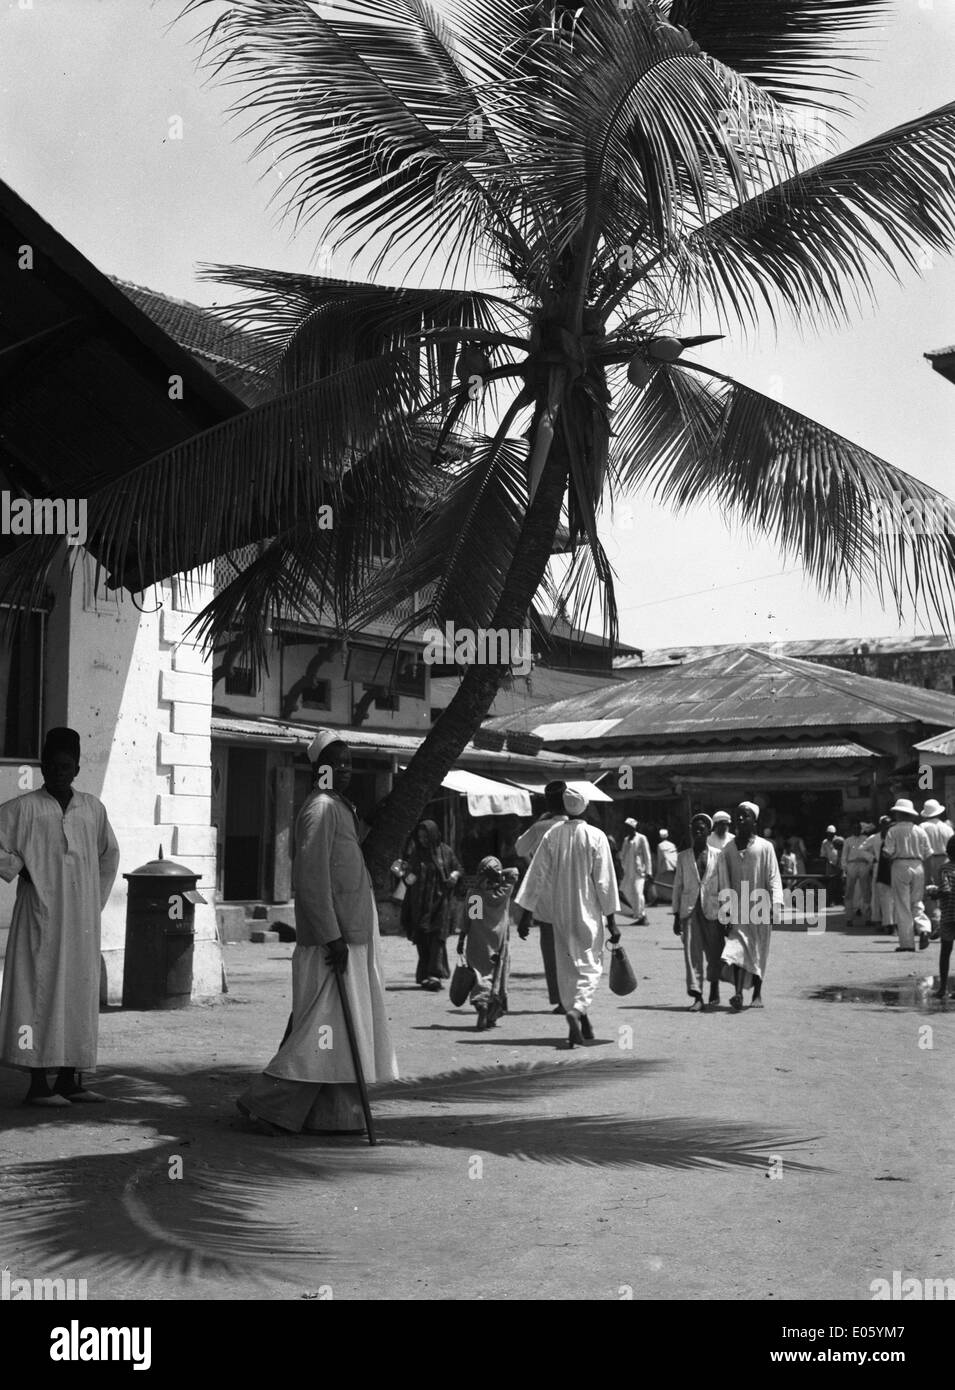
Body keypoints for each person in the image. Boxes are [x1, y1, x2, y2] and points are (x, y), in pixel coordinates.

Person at [237, 730, 397, 1134]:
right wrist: (331, 936)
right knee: (321, 1030)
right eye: (334, 763)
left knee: (338, 1031)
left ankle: (334, 1117)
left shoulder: (340, 807)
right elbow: (311, 880)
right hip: (332, 942)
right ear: (317, 768)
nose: (342, 770)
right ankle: (268, 1105)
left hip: (351, 935)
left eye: (347, 763)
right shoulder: (320, 809)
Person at [0, 728, 120, 1108]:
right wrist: (22, 867)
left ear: (78, 768)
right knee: (38, 991)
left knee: (77, 992)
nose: (59, 772)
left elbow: (108, 855)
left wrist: (91, 901)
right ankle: (38, 1083)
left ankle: (70, 1079)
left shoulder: (92, 808)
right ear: (42, 767)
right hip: (40, 915)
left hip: (81, 920)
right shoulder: (22, 809)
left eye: (66, 766)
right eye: (52, 765)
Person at [515, 787, 620, 1048]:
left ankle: (580, 1019)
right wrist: (612, 920)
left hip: (558, 912)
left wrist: (526, 913)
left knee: (566, 968)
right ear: (584, 806)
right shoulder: (596, 836)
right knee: (591, 966)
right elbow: (604, 882)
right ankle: (577, 1010)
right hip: (588, 912)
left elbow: (536, 874)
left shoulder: (551, 834)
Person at [718, 801, 783, 1012]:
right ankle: (737, 994)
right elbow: (724, 881)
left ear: (755, 820)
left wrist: (775, 905)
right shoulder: (727, 849)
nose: (740, 819)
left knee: (758, 950)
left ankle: (757, 993)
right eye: (737, 815)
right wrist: (726, 912)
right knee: (736, 950)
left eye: (745, 816)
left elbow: (774, 877)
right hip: (738, 908)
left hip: (760, 906)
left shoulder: (765, 847)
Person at [514, 780, 567, 1012]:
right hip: (575, 899)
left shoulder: (540, 828)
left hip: (545, 899)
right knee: (572, 951)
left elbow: (519, 849)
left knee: (551, 951)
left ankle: (560, 997)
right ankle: (574, 996)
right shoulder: (583, 829)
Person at [457, 856, 517, 1031]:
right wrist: (498, 874)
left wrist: (461, 939)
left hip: (477, 941)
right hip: (498, 943)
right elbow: (514, 872)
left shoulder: (476, 895)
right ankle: (490, 1013)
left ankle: (482, 1005)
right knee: (495, 975)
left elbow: (470, 919)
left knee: (479, 974)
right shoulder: (503, 892)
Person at [400, 819, 462, 990]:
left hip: (441, 903)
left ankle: (435, 974)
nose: (423, 840)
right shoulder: (417, 854)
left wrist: (454, 876)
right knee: (422, 939)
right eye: (420, 837)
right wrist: (405, 876)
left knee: (437, 939)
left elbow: (457, 868)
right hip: (419, 904)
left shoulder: (445, 852)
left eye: (426, 837)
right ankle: (424, 975)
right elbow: (410, 879)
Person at [672, 814, 723, 1012]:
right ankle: (697, 995)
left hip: (713, 909)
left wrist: (726, 913)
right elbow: (678, 886)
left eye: (702, 829)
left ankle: (714, 985)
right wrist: (676, 915)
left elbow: (724, 883)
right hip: (689, 910)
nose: (698, 832)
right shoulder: (683, 856)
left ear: (709, 831)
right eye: (695, 829)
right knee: (692, 955)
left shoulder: (718, 855)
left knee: (714, 952)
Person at [882, 798, 932, 952]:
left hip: (900, 865)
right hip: (918, 865)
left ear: (899, 814)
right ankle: (924, 928)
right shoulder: (920, 830)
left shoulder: (893, 830)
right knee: (917, 901)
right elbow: (928, 853)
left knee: (903, 905)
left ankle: (907, 943)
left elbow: (887, 853)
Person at [926, 834, 955, 999]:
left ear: (948, 852)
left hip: (949, 915)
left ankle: (943, 988)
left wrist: (934, 893)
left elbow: (945, 889)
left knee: (946, 952)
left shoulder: (945, 868)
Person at [920, 799, 954, 940]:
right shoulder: (947, 827)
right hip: (946, 859)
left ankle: (936, 923)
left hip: (929, 860)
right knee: (948, 892)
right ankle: (946, 921)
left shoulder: (922, 826)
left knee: (931, 891)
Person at [620, 817, 652, 924]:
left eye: (627, 827)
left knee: (638, 892)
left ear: (632, 827)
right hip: (628, 871)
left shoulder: (641, 838)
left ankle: (640, 915)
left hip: (639, 871)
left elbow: (647, 855)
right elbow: (623, 855)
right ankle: (636, 912)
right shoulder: (626, 840)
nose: (625, 829)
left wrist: (649, 871)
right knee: (627, 892)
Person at [842, 820, 875, 921]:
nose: (856, 830)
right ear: (852, 829)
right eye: (854, 828)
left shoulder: (866, 839)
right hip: (851, 865)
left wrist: (870, 867)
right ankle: (849, 917)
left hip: (863, 864)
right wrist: (845, 869)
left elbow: (871, 853)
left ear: (861, 830)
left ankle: (867, 917)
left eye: (858, 828)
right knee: (849, 891)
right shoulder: (848, 840)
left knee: (866, 891)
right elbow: (844, 856)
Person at [868, 816, 895, 934]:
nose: (887, 827)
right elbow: (860, 848)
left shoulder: (894, 836)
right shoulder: (874, 838)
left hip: (893, 867)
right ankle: (878, 920)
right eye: (884, 825)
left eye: (888, 825)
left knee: (892, 897)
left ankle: (891, 922)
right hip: (879, 867)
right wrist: (871, 857)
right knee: (878, 896)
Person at [820, 825, 842, 904]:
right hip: (830, 865)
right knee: (831, 883)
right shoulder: (825, 842)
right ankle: (830, 900)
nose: (830, 835)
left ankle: (839, 899)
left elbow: (842, 852)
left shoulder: (839, 840)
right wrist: (828, 865)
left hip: (840, 864)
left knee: (840, 882)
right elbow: (823, 855)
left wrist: (839, 863)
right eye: (829, 834)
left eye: (831, 834)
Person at [655, 827, 678, 904]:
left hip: (665, 866)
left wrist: (658, 871)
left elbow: (660, 858)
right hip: (674, 866)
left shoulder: (660, 846)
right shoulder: (672, 845)